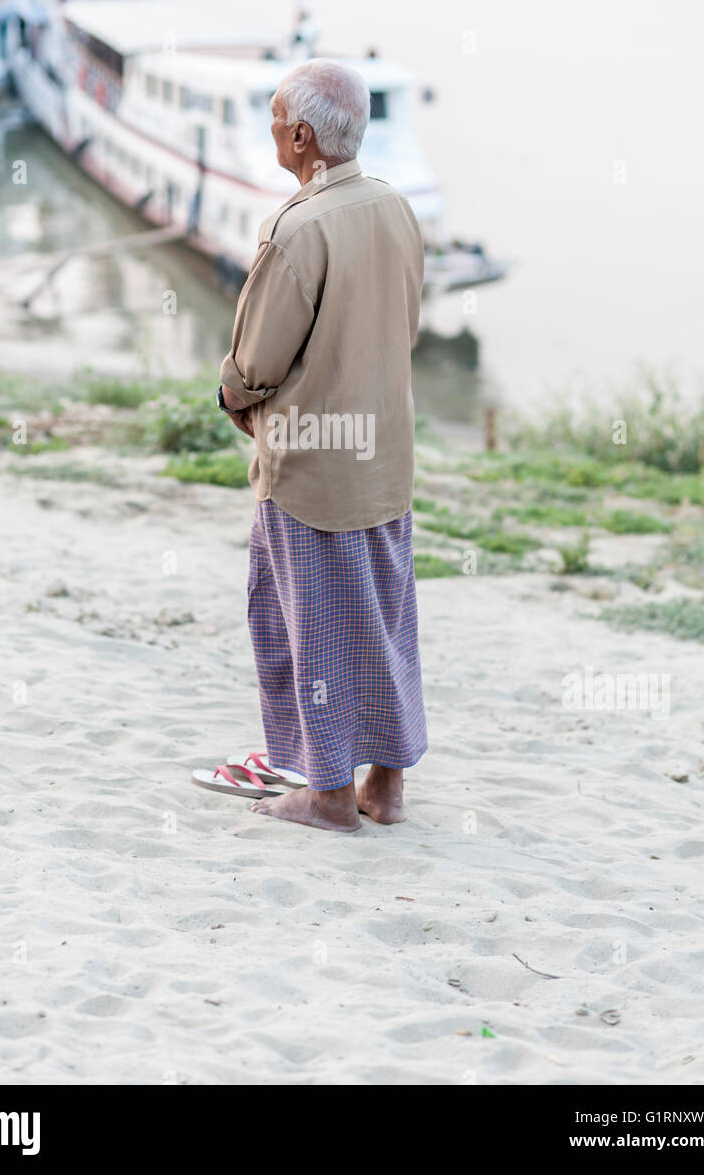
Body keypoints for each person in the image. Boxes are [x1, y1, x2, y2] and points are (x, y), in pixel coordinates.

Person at [215, 58, 426, 831]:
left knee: (305, 630)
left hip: (310, 467)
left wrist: (231, 398)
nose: (270, 127)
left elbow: (256, 363)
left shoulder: (296, 227)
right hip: (384, 457)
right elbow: (404, 326)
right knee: (384, 621)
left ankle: (329, 794)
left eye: (274, 117)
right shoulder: (396, 209)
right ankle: (385, 787)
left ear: (301, 136)